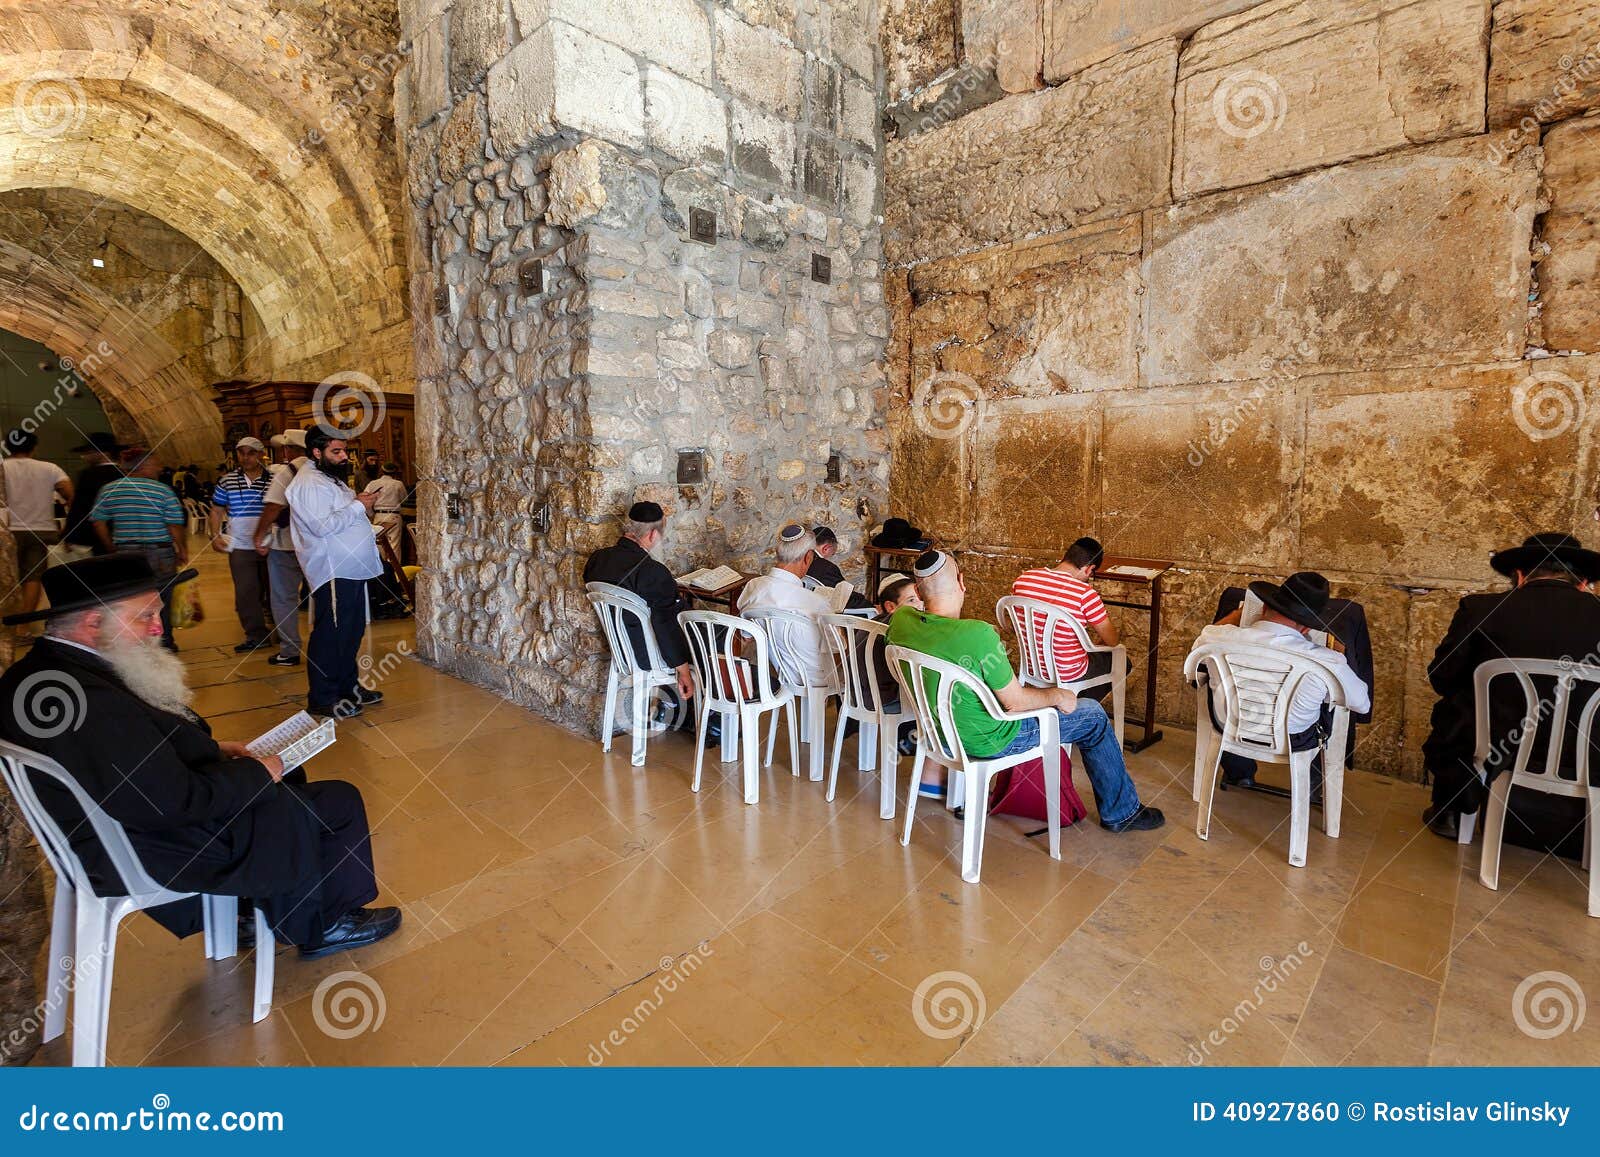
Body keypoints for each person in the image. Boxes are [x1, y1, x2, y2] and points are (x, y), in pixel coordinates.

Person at [0, 553, 400, 957]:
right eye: (145, 617)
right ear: (92, 624)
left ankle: (249, 913)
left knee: (287, 785)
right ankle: (324, 925)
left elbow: (128, 759)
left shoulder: (41, 674)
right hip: (150, 847)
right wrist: (261, 772)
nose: (159, 628)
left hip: (115, 834)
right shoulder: (87, 699)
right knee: (335, 800)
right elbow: (173, 802)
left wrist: (212, 750)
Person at [885, 550, 1164, 830]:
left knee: (1071, 709)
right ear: (962, 581)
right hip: (989, 740)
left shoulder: (900, 621)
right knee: (1092, 715)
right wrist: (1056, 695)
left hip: (937, 734)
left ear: (918, 592)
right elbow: (1015, 702)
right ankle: (1122, 813)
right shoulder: (978, 635)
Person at [1421, 533, 1600, 843]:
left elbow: (1442, 677)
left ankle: (1453, 809)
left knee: (1457, 707)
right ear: (1583, 583)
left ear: (1519, 576)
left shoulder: (1480, 609)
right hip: (1587, 757)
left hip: (1497, 750)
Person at [1192, 571, 1371, 788]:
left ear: (1264, 607)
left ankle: (1238, 772)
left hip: (1228, 725)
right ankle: (1313, 786)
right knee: (1331, 705)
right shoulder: (1326, 660)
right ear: (1306, 628)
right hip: (1292, 739)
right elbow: (1361, 703)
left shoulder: (1215, 637)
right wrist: (1340, 656)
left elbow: (1197, 652)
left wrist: (1240, 615)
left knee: (1219, 692)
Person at [286, 426, 385, 718]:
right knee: (331, 634)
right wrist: (359, 505)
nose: (344, 457)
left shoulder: (331, 479)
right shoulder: (309, 483)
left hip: (351, 568)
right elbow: (321, 526)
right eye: (336, 452)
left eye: (344, 451)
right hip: (333, 568)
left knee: (350, 632)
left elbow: (343, 516)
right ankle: (322, 696)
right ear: (316, 453)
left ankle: (347, 687)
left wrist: (360, 507)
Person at [582, 501, 694, 702]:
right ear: (652, 535)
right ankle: (711, 719)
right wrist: (683, 670)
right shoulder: (653, 572)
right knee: (709, 642)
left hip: (620, 650)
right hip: (648, 656)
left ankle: (671, 710)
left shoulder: (597, 559)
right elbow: (665, 625)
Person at [89, 446, 187, 650]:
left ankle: (133, 642)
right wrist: (182, 549)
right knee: (162, 598)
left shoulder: (109, 489)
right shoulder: (162, 490)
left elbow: (98, 521)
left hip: (125, 553)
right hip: (159, 551)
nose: (159, 468)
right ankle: (164, 641)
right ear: (144, 466)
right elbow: (174, 524)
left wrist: (110, 547)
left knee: (129, 598)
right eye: (155, 464)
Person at [1011, 536, 1125, 701]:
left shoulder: (1024, 579)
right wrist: (1091, 646)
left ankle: (1068, 704)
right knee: (1121, 659)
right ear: (1089, 569)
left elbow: (1011, 624)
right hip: (1068, 672)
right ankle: (1079, 709)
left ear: (1067, 557)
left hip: (1031, 667)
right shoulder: (1085, 594)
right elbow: (1112, 641)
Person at [737, 524, 836, 686]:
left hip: (780, 673)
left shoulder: (752, 587)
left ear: (778, 553)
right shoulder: (816, 602)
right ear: (808, 557)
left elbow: (746, 636)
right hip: (818, 680)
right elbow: (837, 646)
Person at [209, 436, 274, 654]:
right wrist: (215, 535)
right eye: (241, 453)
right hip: (240, 545)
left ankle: (280, 630)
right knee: (246, 591)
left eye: (251, 453)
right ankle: (256, 635)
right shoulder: (227, 480)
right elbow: (217, 509)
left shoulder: (274, 479)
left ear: (260, 454)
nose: (245, 458)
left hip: (271, 544)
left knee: (275, 589)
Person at [0, 428, 73, 619]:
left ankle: (5, 622)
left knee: (6, 577)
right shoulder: (50, 468)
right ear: (34, 447)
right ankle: (22, 625)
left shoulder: (2, 467)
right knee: (33, 577)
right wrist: (68, 525)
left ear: (7, 446)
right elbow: (70, 494)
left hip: (6, 530)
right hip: (40, 530)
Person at [254, 430, 309, 667]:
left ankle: (289, 651)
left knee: (283, 598)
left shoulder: (289, 471)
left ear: (289, 450)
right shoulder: (321, 470)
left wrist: (259, 534)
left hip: (286, 543)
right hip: (315, 546)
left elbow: (273, 507)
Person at [61, 432, 123, 561]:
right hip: (125, 534)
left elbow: (79, 506)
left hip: (94, 536)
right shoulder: (125, 474)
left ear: (101, 453)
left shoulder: (89, 475)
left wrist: (69, 535)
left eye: (89, 452)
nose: (85, 457)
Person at [363, 461, 408, 559]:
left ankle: (382, 569)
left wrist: (371, 514)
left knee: (379, 544)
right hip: (393, 515)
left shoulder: (373, 483)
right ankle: (394, 571)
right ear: (395, 472)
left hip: (378, 515)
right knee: (394, 544)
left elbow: (365, 499)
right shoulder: (398, 484)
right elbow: (405, 498)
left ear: (382, 471)